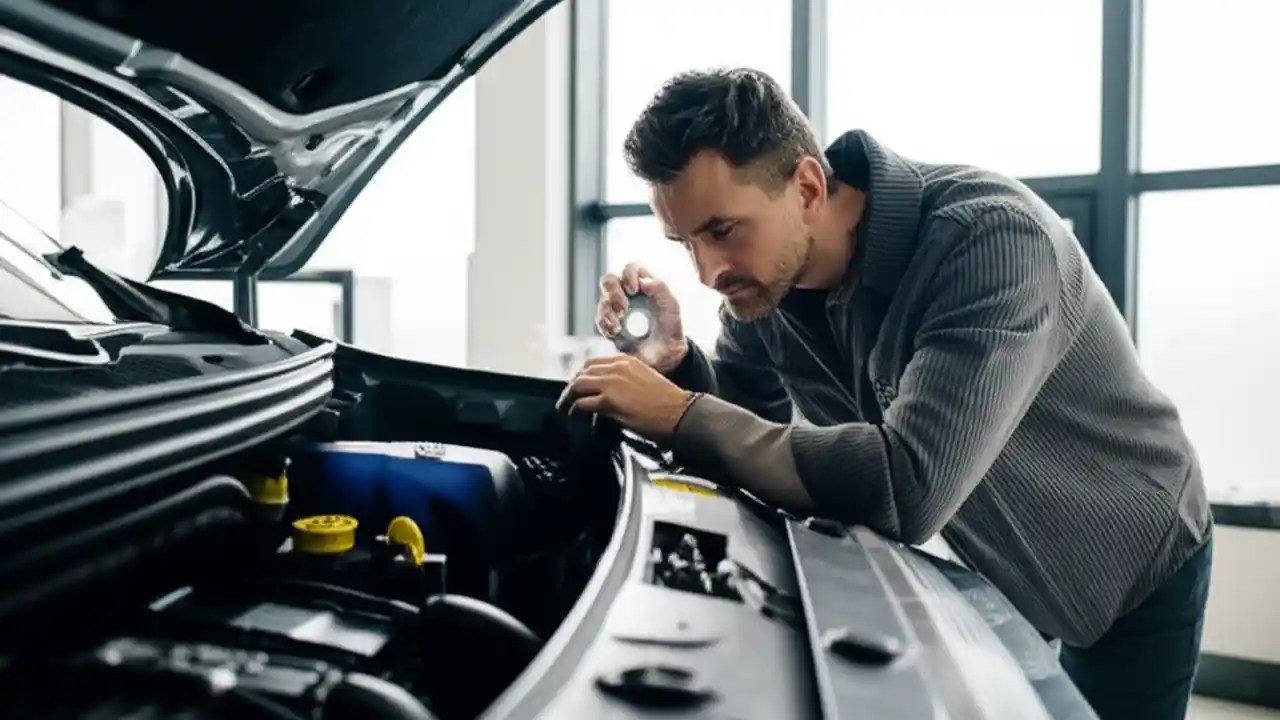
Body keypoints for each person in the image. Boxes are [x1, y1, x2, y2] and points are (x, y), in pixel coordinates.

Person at [556, 67, 1213, 720]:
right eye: (686, 243)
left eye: (723, 231)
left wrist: (679, 413)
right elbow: (744, 428)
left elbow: (909, 486)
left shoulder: (992, 241)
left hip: (1130, 549)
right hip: (993, 556)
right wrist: (675, 364)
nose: (707, 273)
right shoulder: (766, 287)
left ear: (807, 186)